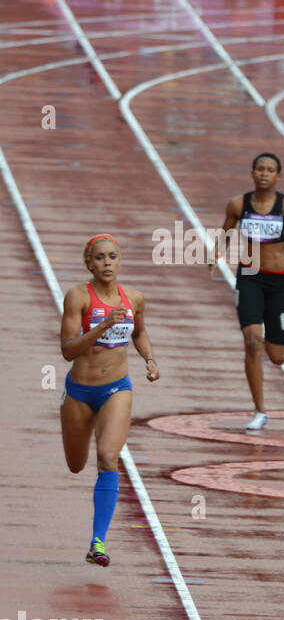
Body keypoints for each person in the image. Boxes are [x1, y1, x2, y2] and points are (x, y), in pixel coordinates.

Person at [60, 235, 161, 566]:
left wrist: (149, 358)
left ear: (119, 261)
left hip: (117, 388)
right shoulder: (78, 298)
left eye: (112, 257)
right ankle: (96, 539)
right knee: (76, 465)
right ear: (89, 263)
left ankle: (97, 542)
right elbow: (67, 349)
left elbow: (139, 333)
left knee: (107, 457)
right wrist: (103, 324)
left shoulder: (134, 298)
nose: (106, 263)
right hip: (80, 391)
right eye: (99, 258)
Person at [211, 152, 284, 431]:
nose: (264, 174)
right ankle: (260, 410)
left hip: (279, 281)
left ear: (278, 176)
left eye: (270, 170)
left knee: (279, 357)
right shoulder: (238, 205)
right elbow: (226, 232)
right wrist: (216, 255)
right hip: (251, 275)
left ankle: (269, 327)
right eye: (260, 169)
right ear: (252, 173)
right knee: (253, 341)